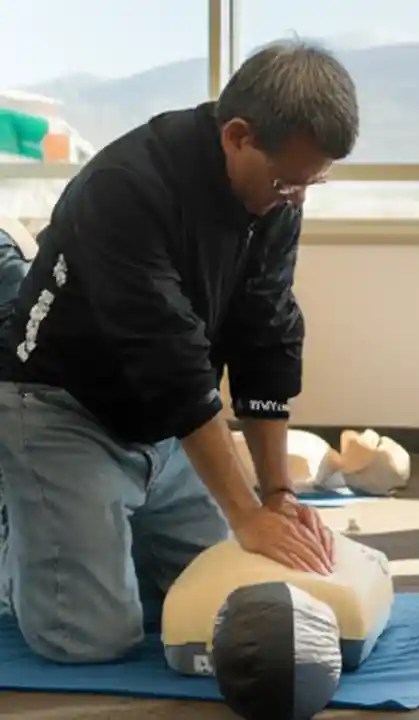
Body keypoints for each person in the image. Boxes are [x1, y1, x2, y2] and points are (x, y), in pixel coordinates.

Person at [0, 39, 359, 664]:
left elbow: (266, 334)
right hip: (59, 407)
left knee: (219, 599)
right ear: (238, 136)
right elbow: (170, 359)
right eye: (287, 181)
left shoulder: (276, 196)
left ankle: (87, 531)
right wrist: (243, 511)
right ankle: (18, 529)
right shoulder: (127, 186)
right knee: (89, 638)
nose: (295, 198)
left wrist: (277, 494)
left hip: (162, 433)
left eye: (311, 185)